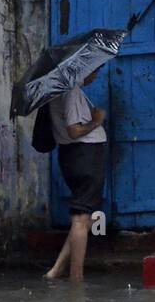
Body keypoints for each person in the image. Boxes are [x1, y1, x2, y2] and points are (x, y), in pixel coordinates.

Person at [44, 69, 108, 281]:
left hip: (74, 156)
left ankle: (57, 269)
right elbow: (74, 130)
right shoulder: (71, 91)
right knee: (81, 218)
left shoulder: (59, 91)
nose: (96, 75)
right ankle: (76, 278)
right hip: (84, 156)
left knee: (84, 217)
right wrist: (97, 120)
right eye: (95, 70)